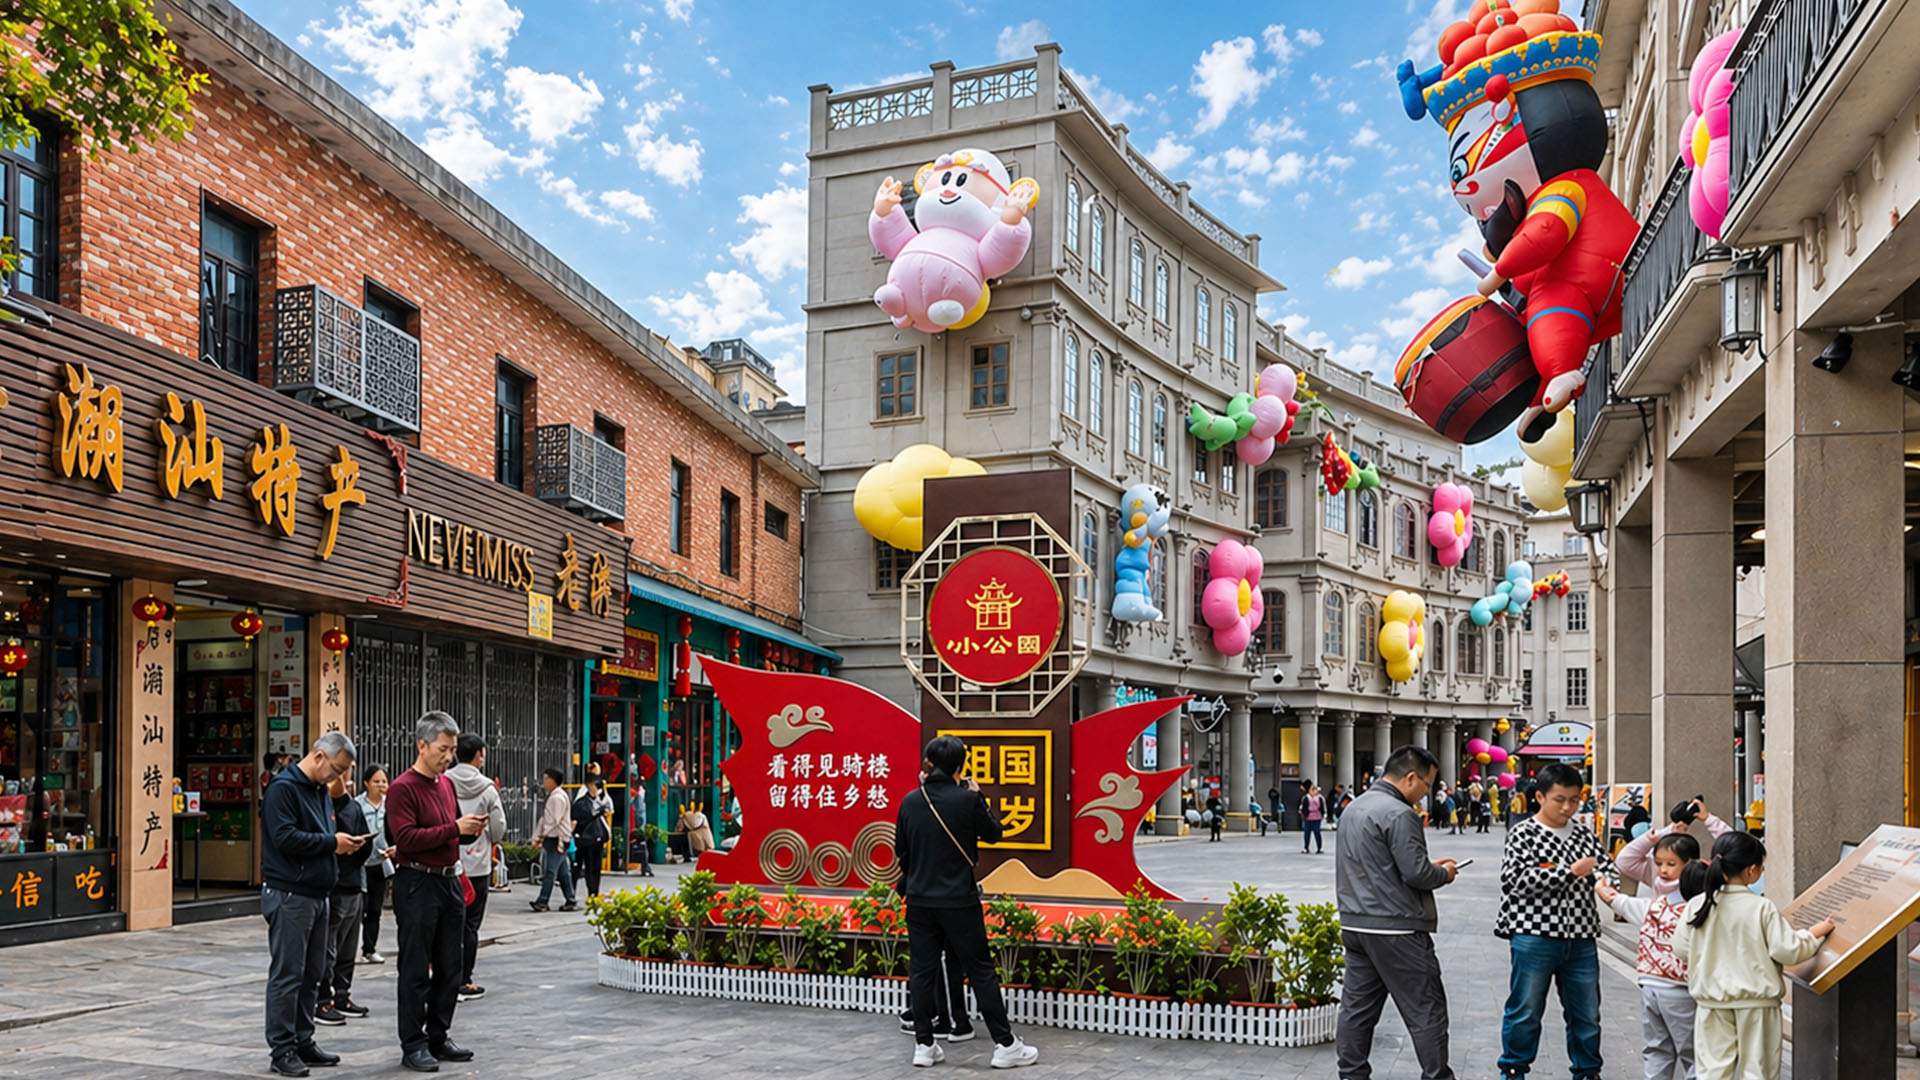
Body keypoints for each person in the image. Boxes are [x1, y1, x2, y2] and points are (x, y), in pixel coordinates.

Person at [897, 735, 1039, 1069]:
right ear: (960, 767)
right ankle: (1005, 1044)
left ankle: (924, 1045)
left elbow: (901, 851)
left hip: (919, 900)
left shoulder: (910, 801)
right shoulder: (967, 800)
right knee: (980, 970)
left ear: (928, 763)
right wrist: (980, 797)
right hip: (959, 900)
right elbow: (994, 833)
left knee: (922, 971)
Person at [1334, 745, 1458, 1080]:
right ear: (1411, 777)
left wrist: (1425, 867)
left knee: (1357, 1011)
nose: (1425, 793)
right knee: (1427, 1010)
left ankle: (1351, 1076)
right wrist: (1444, 873)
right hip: (1398, 929)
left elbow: (1381, 865)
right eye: (1427, 785)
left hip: (1356, 925)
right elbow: (1417, 874)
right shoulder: (1400, 813)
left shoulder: (1354, 808)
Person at [1495, 762, 1620, 1080]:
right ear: (1540, 797)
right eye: (1560, 799)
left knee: (1587, 1013)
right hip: (1534, 935)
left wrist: (1606, 884)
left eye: (1574, 800)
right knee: (1525, 1010)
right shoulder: (1523, 833)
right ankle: (1514, 1069)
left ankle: (1588, 1071)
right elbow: (1515, 881)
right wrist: (1570, 872)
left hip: (1581, 937)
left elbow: (1607, 869)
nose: (1568, 807)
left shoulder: (1583, 834)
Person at [1674, 833, 1833, 1080]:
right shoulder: (1761, 907)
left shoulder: (1698, 904)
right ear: (1751, 870)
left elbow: (1681, 948)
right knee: (1758, 1072)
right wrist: (1814, 934)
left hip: (1711, 1002)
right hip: (1757, 1003)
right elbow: (1787, 950)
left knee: (1712, 1071)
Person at [387, 711, 489, 1073]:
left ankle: (438, 1034)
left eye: (452, 750)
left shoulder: (445, 785)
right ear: (422, 745)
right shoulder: (402, 788)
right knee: (416, 966)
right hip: (417, 882)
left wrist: (469, 830)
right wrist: (454, 829)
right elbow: (405, 839)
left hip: (449, 880)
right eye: (442, 749)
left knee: (451, 964)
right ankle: (412, 1043)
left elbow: (451, 831)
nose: (448, 757)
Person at [260, 731, 363, 1078]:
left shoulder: (320, 790)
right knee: (288, 974)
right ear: (319, 756)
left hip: (319, 894)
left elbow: (322, 836)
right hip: (290, 894)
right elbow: (284, 837)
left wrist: (341, 843)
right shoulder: (283, 789)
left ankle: (303, 1040)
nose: (338, 777)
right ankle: (282, 1048)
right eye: (336, 769)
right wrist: (332, 843)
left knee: (313, 974)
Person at [1596, 831, 1706, 1080]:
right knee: (1695, 1054)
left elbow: (1618, 900)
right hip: (1680, 990)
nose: (1663, 870)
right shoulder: (1701, 908)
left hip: (1652, 986)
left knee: (1658, 1050)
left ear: (1690, 864)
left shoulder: (1656, 906)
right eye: (1658, 864)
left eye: (1671, 864)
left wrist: (1601, 886)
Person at [448, 734, 505, 1003]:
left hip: (448, 862)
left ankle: (446, 977)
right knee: (470, 925)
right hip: (478, 865)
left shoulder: (443, 781)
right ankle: (465, 979)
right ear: (479, 754)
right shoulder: (488, 788)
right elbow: (498, 828)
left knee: (449, 924)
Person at [315, 769, 373, 1025]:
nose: (342, 779)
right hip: (332, 885)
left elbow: (366, 843)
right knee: (328, 949)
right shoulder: (320, 805)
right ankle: (322, 999)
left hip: (353, 883)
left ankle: (342, 995)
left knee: (348, 948)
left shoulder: (353, 807)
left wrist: (358, 847)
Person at [357, 764, 395, 965]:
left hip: (381, 862)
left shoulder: (391, 805)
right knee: (358, 908)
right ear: (366, 783)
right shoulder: (357, 804)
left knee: (374, 909)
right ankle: (350, 948)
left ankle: (369, 949)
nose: (380, 785)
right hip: (361, 863)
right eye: (376, 781)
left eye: (384, 781)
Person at [530, 768, 577, 912]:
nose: (544, 782)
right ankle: (570, 899)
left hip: (556, 839)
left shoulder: (556, 798)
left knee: (550, 871)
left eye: (545, 779)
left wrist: (540, 836)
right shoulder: (557, 795)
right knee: (562, 872)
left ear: (552, 780)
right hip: (558, 838)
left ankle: (543, 901)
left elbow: (552, 821)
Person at [572, 773, 613, 897]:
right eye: (596, 785)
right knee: (580, 869)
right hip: (584, 840)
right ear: (589, 785)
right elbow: (577, 821)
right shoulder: (581, 803)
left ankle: (593, 893)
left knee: (595, 869)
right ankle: (572, 895)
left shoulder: (600, 801)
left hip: (597, 839)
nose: (598, 788)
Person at [628, 783, 655, 877]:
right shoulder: (637, 797)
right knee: (642, 844)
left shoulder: (635, 797)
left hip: (634, 826)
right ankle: (645, 866)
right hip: (634, 827)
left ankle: (645, 865)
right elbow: (640, 817)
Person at [1299, 783, 1326, 854]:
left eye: (1314, 790)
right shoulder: (1306, 797)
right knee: (1307, 833)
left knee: (1317, 832)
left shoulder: (1320, 798)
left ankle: (1319, 848)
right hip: (1308, 817)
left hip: (1317, 817)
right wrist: (1303, 814)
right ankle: (1306, 847)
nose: (1313, 791)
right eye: (1312, 790)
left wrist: (1323, 815)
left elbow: (1322, 807)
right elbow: (1303, 807)